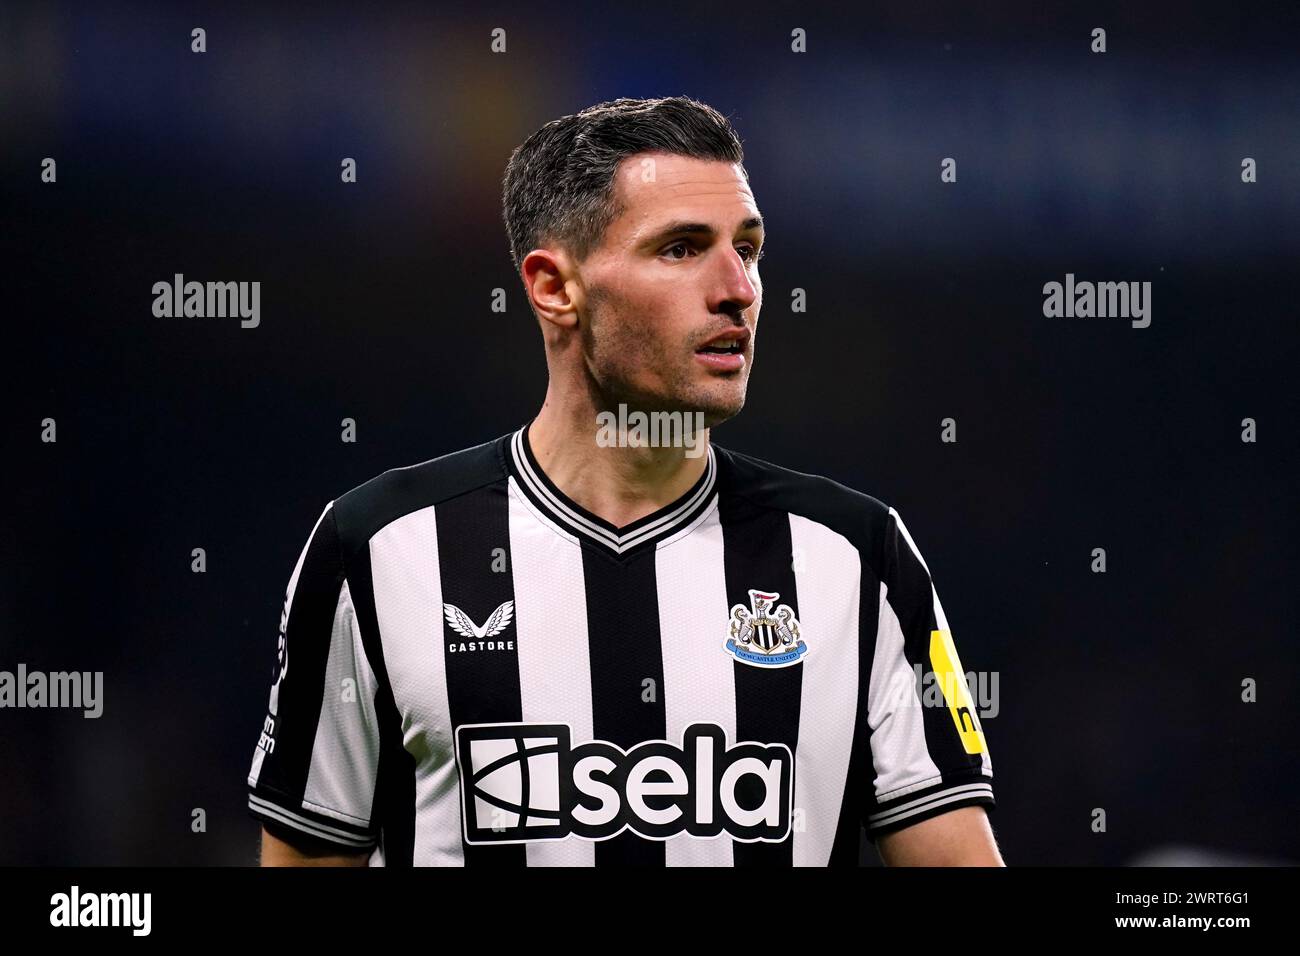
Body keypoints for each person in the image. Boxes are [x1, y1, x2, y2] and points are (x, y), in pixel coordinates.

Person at [248, 95, 1002, 866]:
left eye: (748, 248)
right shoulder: (378, 549)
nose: (737, 289)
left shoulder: (856, 553)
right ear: (553, 287)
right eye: (680, 248)